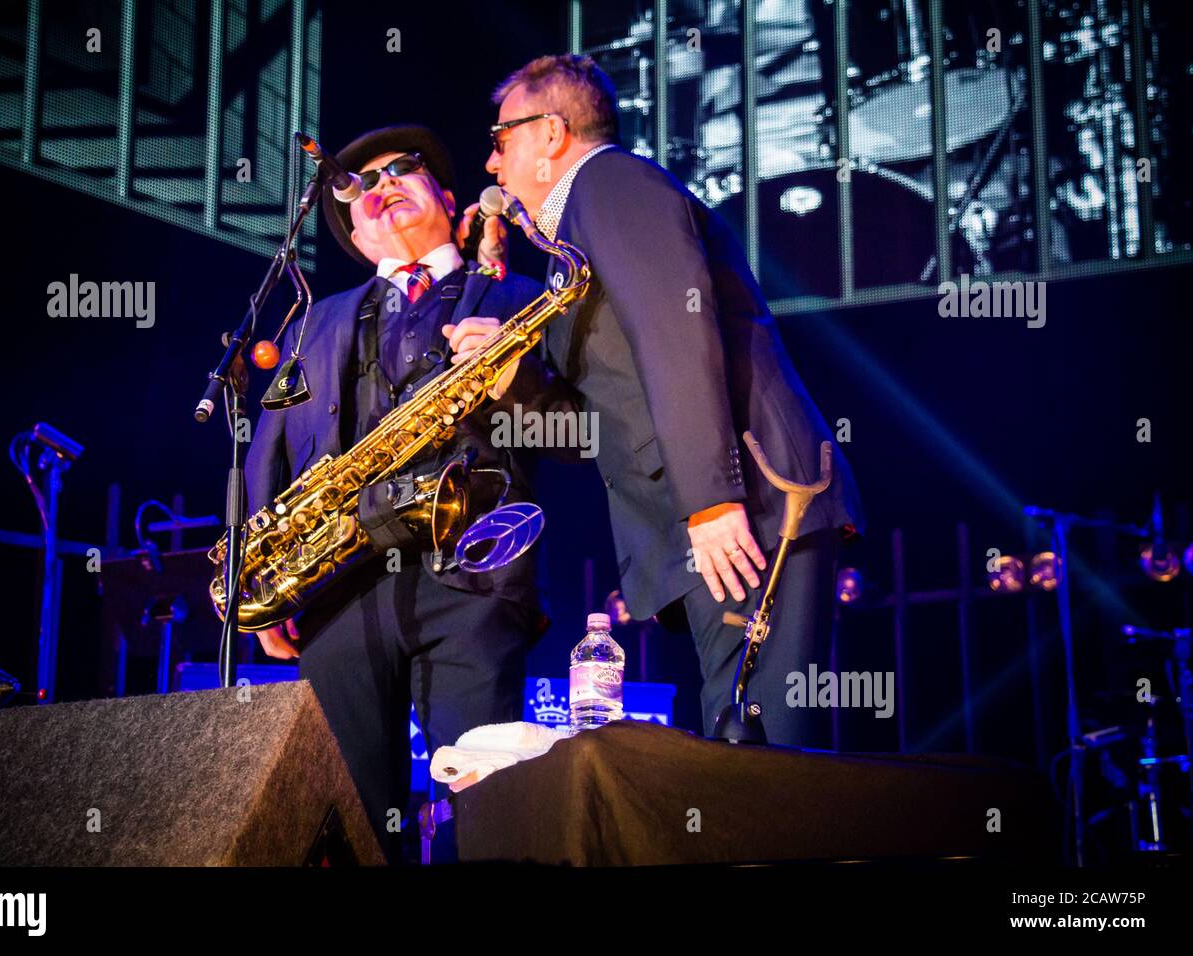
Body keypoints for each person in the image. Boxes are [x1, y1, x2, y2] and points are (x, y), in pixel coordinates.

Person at [479, 55, 864, 746]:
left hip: (752, 505)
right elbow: (598, 428)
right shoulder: (574, 237)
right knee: (740, 749)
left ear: (552, 132)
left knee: (765, 760)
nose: (491, 163)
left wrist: (712, 500)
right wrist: (513, 380)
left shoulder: (609, 183)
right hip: (711, 522)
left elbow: (675, 333)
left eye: (501, 139)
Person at [244, 125, 548, 861]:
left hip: (470, 580)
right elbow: (271, 453)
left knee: (485, 813)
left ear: (448, 196)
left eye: (404, 167)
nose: (382, 183)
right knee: (348, 819)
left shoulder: (522, 295)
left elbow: (575, 434)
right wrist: (260, 581)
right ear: (352, 227)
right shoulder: (312, 319)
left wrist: (519, 381)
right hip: (333, 587)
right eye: (364, 181)